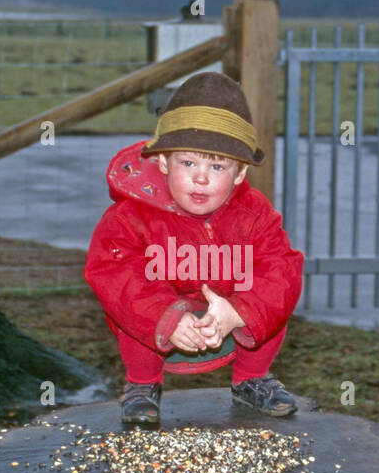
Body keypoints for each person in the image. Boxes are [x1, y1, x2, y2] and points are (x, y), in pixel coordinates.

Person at [84, 71, 304, 425]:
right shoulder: (129, 216)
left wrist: (239, 312)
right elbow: (113, 273)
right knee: (129, 308)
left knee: (273, 301)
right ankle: (142, 386)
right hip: (158, 328)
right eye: (188, 162)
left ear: (239, 174)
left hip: (229, 320)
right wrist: (166, 317)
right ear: (163, 162)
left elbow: (281, 269)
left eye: (217, 165)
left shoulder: (255, 213)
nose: (201, 177)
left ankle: (251, 379)